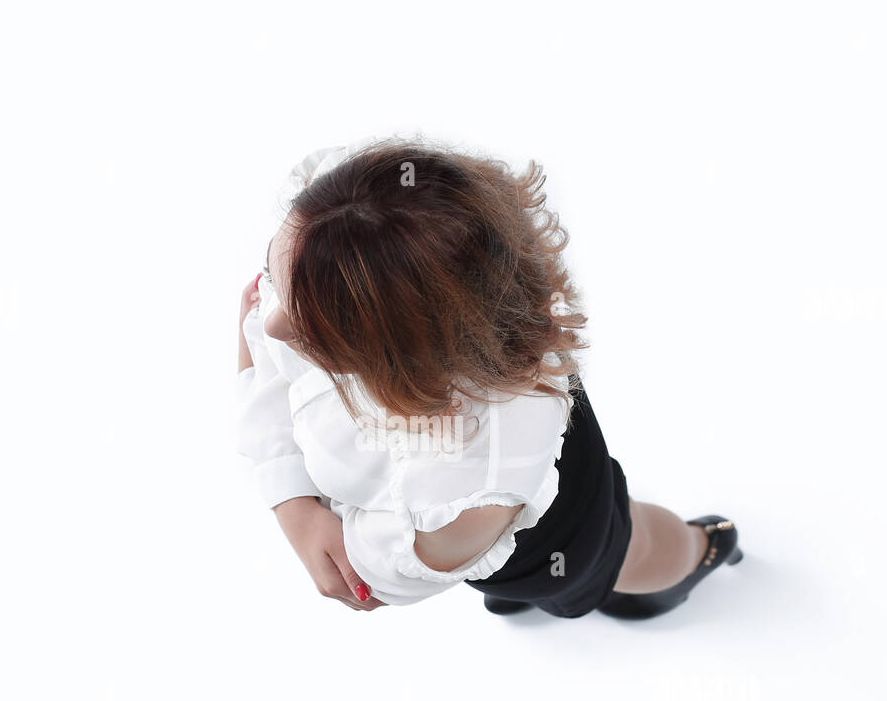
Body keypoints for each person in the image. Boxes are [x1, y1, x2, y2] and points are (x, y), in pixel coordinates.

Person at [236, 136, 743, 618]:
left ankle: (697, 550)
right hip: (475, 524)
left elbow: (368, 582)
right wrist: (293, 498)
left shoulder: (460, 490)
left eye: (322, 331)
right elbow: (265, 327)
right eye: (278, 274)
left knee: (629, 543)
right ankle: (506, 574)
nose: (270, 322)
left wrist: (293, 505)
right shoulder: (351, 216)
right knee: (496, 568)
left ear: (409, 354)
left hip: (557, 537)